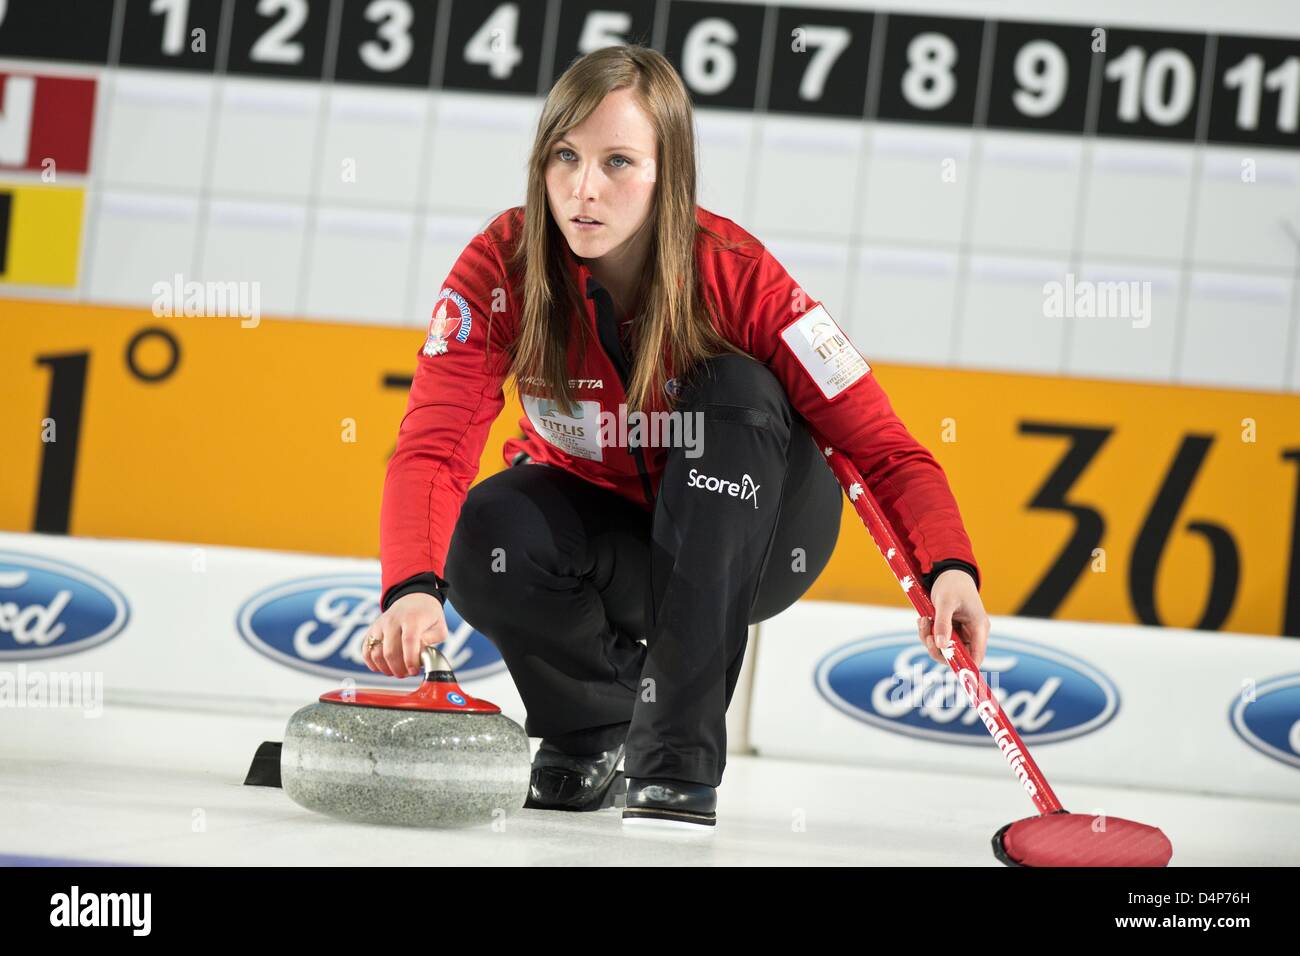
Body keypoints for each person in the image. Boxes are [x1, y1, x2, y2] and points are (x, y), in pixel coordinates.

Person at [367, 45, 989, 829]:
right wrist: (411, 587)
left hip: (753, 544)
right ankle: (592, 726)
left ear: (670, 175)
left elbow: (883, 447)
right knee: (489, 524)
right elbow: (434, 443)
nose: (584, 190)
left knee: (734, 386)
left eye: (619, 162)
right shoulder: (504, 267)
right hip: (621, 547)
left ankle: (675, 762)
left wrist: (949, 567)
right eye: (565, 156)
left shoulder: (739, 277)